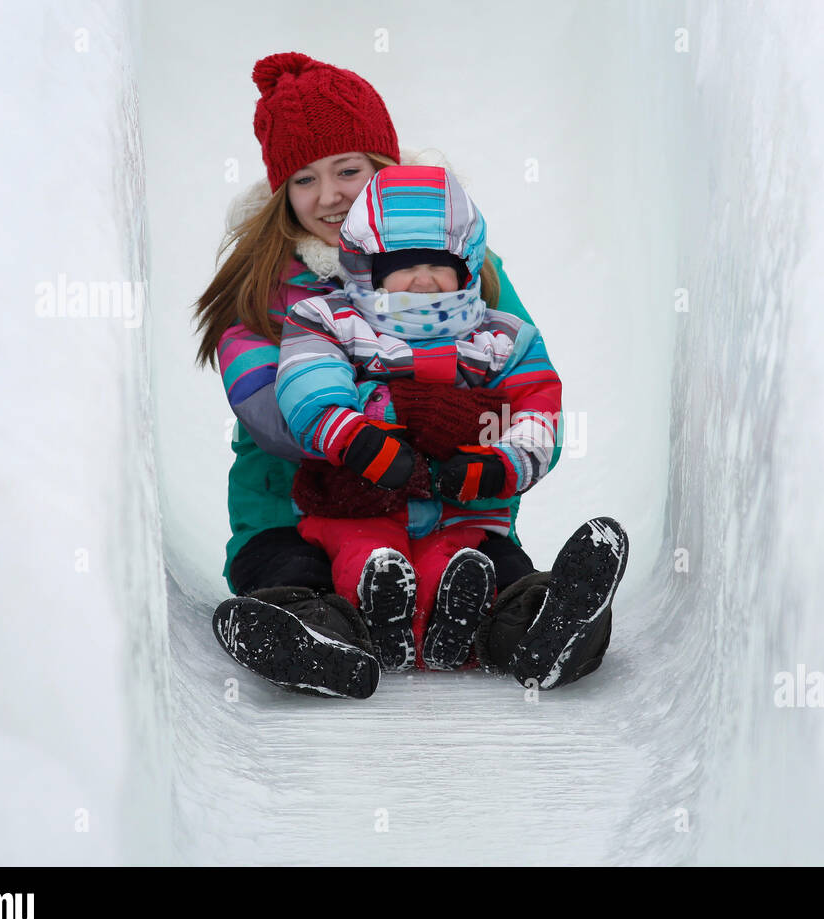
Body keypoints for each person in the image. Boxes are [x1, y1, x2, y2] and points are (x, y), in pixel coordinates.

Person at [192, 51, 627, 700]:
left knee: (496, 574)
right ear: (282, 196)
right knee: (294, 569)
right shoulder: (264, 287)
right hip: (297, 508)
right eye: (305, 180)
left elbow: (522, 382)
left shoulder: (458, 263)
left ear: (384, 169)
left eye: (348, 169)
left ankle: (549, 627)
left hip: (447, 508)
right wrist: (392, 420)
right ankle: (311, 636)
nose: (331, 194)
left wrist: (486, 455)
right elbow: (272, 416)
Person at [278, 165, 563, 674]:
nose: (425, 278)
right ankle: (381, 613)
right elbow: (309, 383)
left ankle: (455, 623)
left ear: (468, 266)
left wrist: (503, 463)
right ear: (370, 267)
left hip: (460, 509)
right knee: (368, 552)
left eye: (440, 263)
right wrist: (354, 436)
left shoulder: (500, 336)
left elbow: (536, 405)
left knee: (457, 560)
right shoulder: (331, 319)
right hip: (361, 497)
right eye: (406, 263)